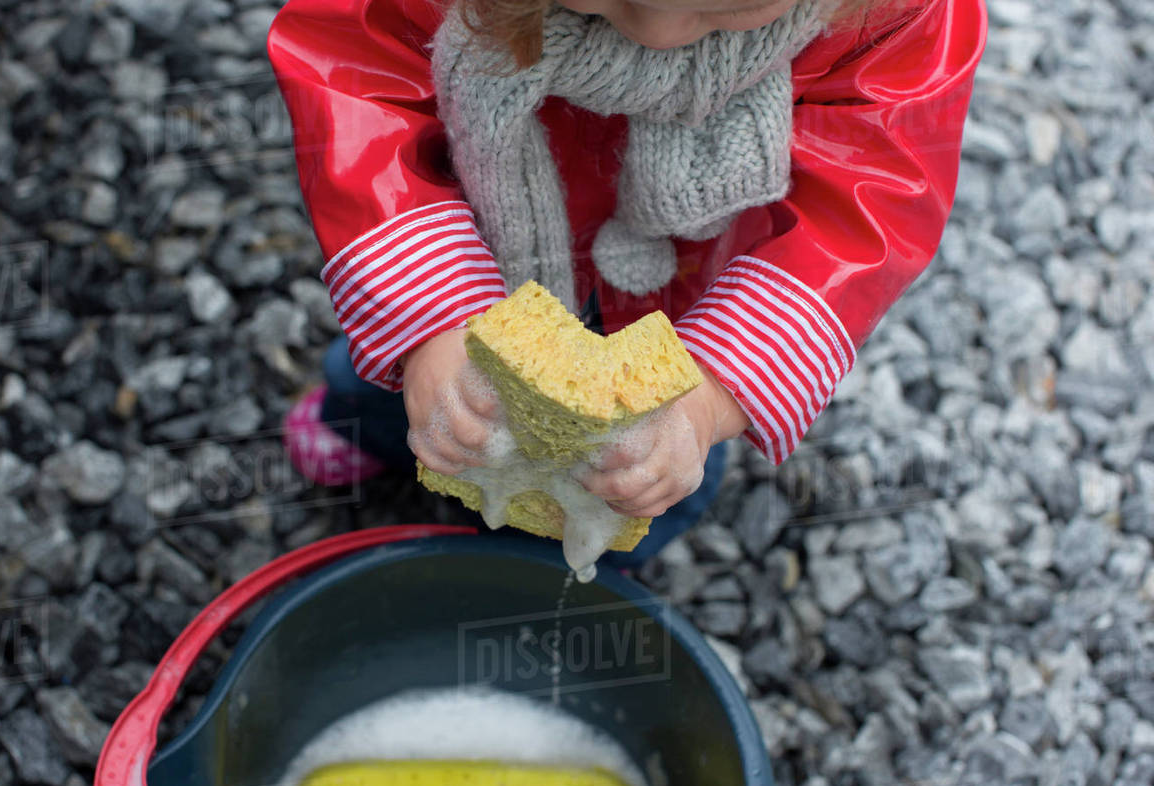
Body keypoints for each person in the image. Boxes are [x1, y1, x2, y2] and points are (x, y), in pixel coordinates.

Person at [268, 0, 987, 566]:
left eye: (726, 12)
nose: (664, 35)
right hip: (471, 246)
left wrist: (711, 396)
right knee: (423, 382)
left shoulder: (889, 12)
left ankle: (586, 542)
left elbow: (873, 194)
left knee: (647, 458)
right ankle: (366, 421)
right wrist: (429, 319)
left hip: (698, 293)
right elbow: (352, 68)